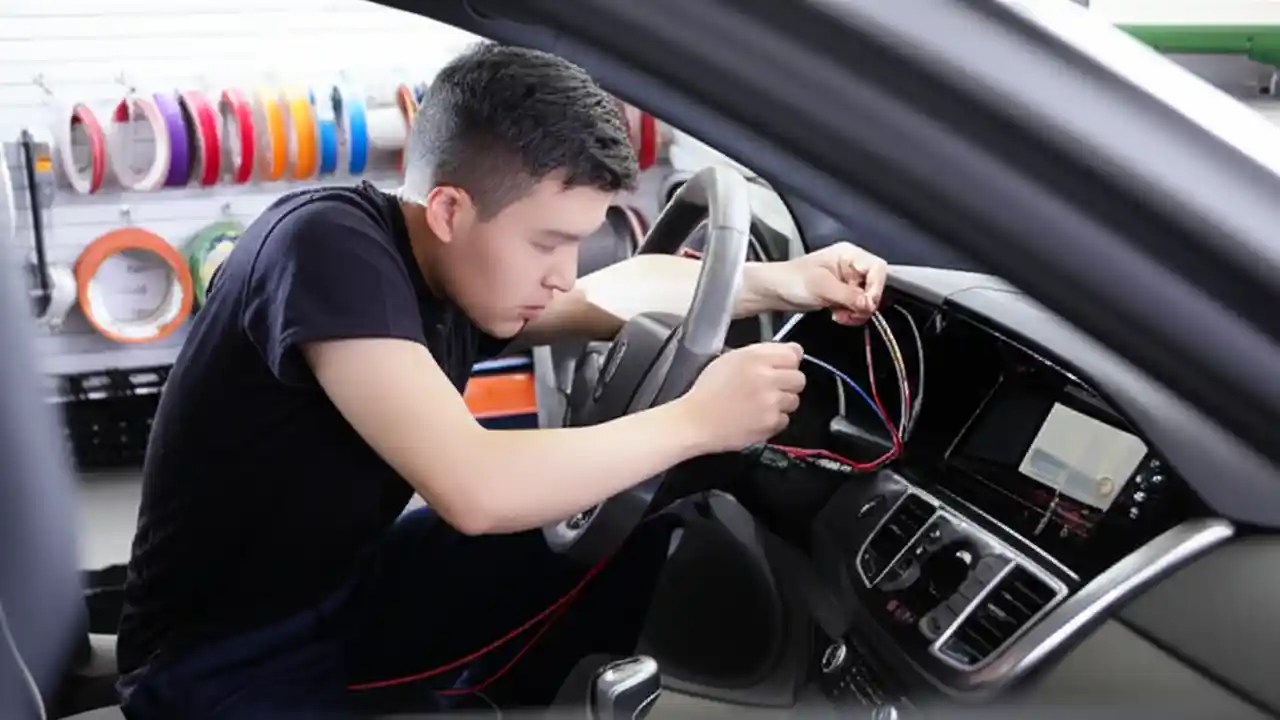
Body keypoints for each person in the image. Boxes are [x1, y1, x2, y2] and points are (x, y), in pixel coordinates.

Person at [114, 42, 888, 718]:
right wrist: (696, 421)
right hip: (219, 656)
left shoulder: (452, 270)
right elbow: (476, 488)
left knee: (640, 522)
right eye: (547, 244)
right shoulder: (325, 247)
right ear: (449, 210)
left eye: (576, 243)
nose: (563, 275)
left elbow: (610, 295)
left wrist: (784, 282)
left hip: (338, 586)